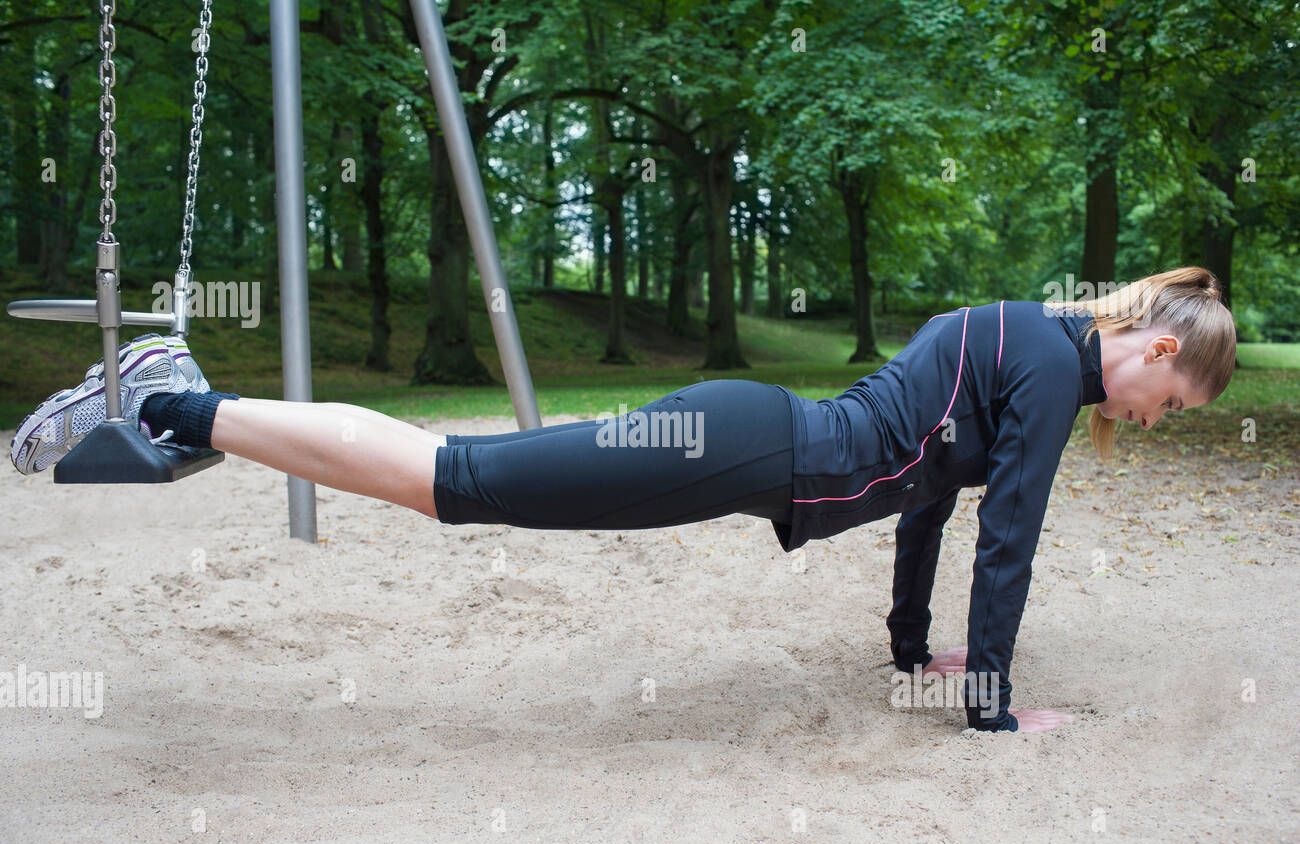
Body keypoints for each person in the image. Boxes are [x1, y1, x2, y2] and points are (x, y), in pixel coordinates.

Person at [9, 266, 1236, 732]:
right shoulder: (1045, 366)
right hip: (749, 449)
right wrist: (992, 711)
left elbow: (931, 505)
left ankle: (188, 402)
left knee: (458, 480)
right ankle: (178, 398)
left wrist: (916, 653)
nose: (1152, 417)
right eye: (1170, 400)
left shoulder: (1020, 337)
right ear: (1154, 348)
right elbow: (1004, 542)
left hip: (752, 437)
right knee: (457, 477)